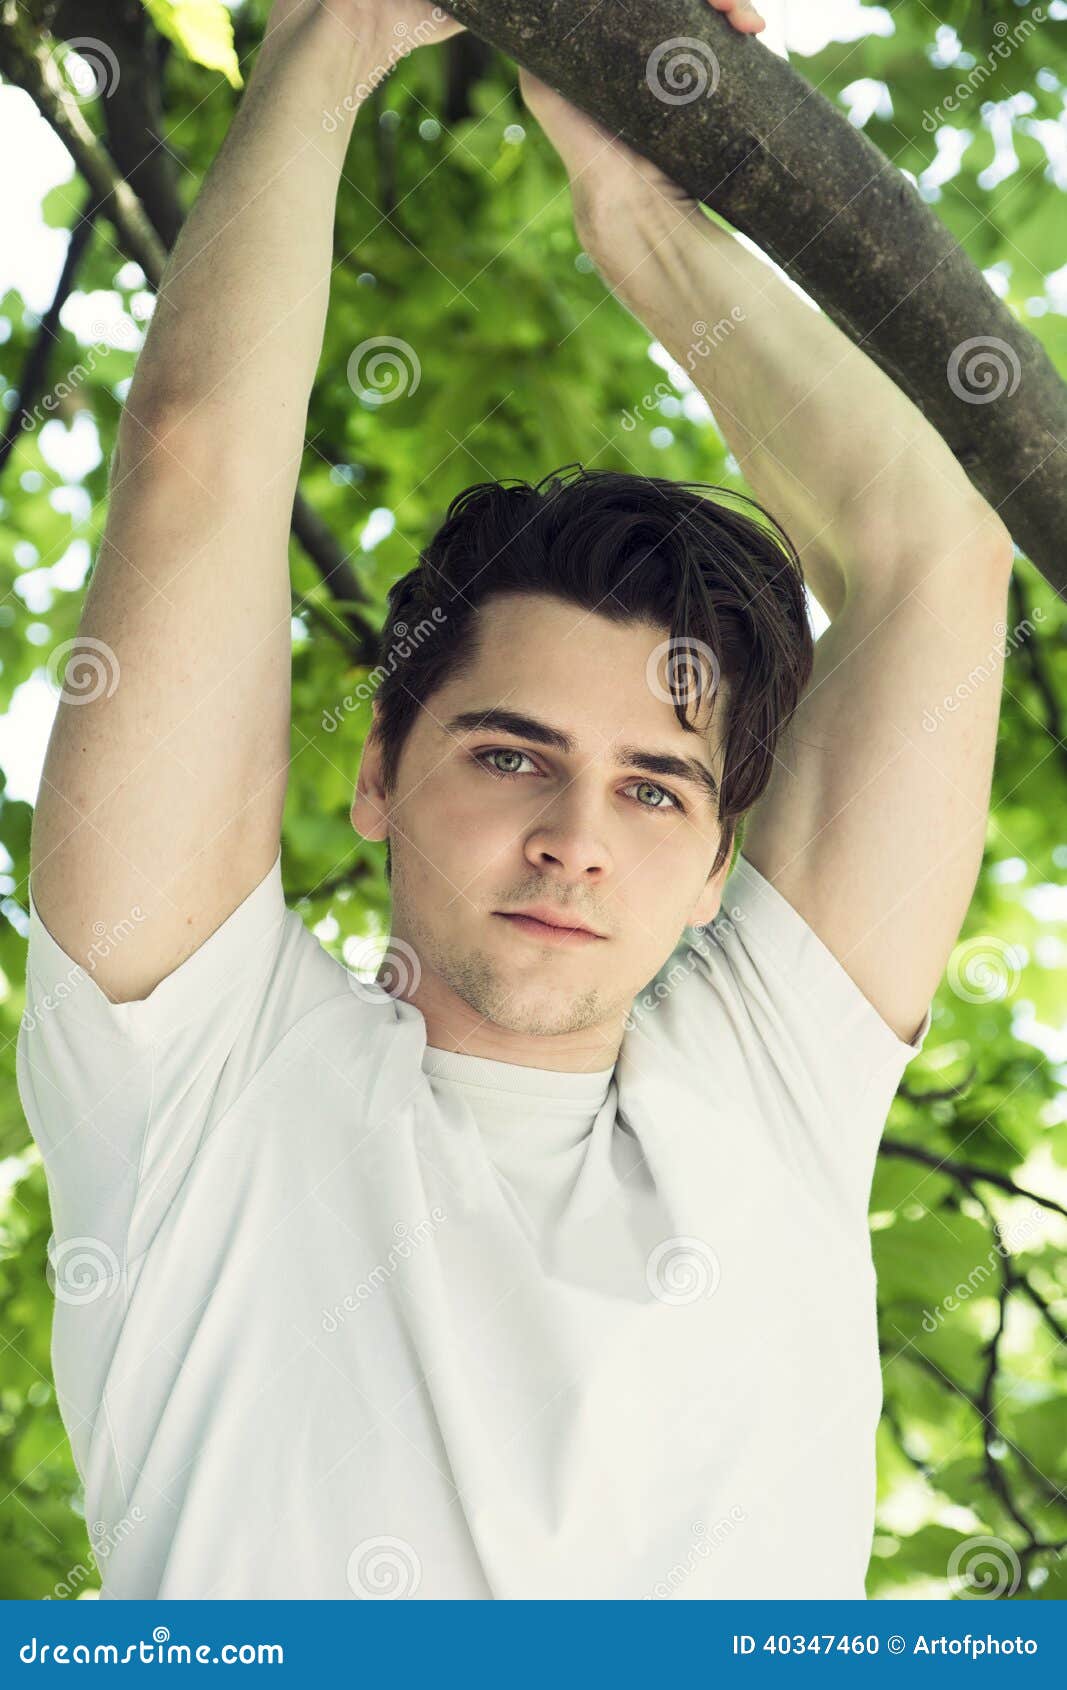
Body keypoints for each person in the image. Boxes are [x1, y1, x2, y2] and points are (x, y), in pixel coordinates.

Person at [16, 0, 1013, 1600]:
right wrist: (334, 42)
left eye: (659, 789)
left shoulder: (770, 1095)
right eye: (509, 751)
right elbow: (199, 457)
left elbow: (936, 560)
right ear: (377, 772)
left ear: (716, 870)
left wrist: (632, 193)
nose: (577, 836)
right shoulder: (193, 1077)